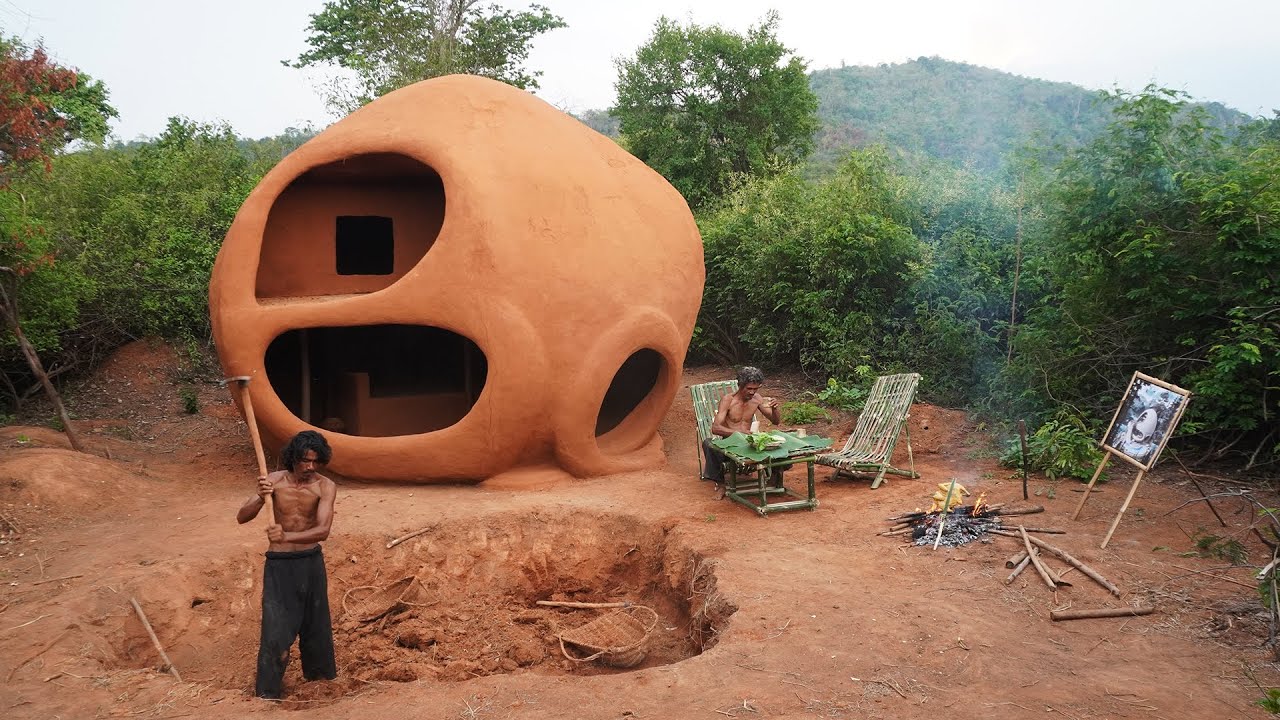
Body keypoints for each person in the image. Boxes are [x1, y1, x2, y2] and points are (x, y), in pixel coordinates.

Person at [236, 430, 338, 700]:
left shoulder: (324, 486)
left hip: (310, 562)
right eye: (305, 460)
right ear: (293, 458)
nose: (310, 467)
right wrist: (260, 497)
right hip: (280, 565)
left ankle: (320, 682)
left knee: (316, 626)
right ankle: (268, 694)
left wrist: (287, 536)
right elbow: (241, 517)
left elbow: (323, 530)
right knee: (276, 629)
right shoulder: (272, 481)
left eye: (315, 461)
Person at [701, 366, 782, 495]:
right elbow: (716, 428)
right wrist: (739, 433)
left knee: (779, 440)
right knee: (708, 443)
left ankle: (774, 477)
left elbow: (776, 422)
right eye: (749, 389)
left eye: (755, 389)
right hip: (730, 447)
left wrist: (775, 409)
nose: (752, 392)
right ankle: (721, 484)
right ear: (740, 386)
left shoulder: (757, 399)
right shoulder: (728, 400)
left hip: (750, 446)